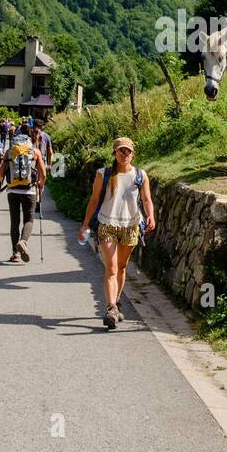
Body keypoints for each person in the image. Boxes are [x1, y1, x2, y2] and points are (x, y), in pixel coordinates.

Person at [78, 137, 156, 330]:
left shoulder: (140, 175)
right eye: (121, 150)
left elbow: (146, 199)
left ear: (133, 153)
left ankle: (117, 300)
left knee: (122, 267)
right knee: (111, 268)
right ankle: (111, 307)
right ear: (114, 153)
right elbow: (94, 200)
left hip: (131, 226)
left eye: (128, 151)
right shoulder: (103, 174)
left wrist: (151, 216)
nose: (125, 154)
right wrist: (85, 225)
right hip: (107, 224)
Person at [0, 123, 45, 263]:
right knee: (29, 219)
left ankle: (15, 254)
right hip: (29, 190)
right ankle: (23, 241)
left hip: (12, 190)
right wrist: (41, 185)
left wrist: (0, 182)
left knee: (14, 221)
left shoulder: (10, 151)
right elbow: (43, 173)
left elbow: (1, 172)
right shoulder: (35, 151)